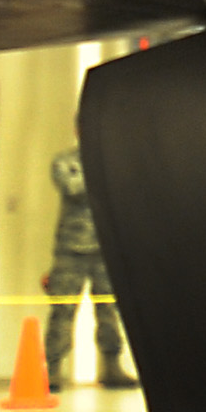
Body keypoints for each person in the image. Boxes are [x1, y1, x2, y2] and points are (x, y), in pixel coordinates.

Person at [43, 144, 134, 390]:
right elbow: (72, 187)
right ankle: (52, 368)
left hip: (107, 248)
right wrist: (103, 175)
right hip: (72, 249)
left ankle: (112, 367)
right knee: (63, 309)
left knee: (110, 311)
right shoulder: (64, 161)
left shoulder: (115, 160)